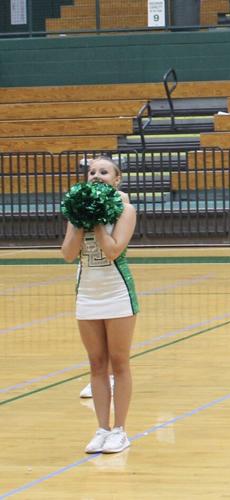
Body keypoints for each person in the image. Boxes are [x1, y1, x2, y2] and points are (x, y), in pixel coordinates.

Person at [61, 157, 138, 454]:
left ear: (116, 180)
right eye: (91, 172)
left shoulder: (126, 210)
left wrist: (96, 221)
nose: (96, 175)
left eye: (103, 171)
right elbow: (68, 253)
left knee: (119, 362)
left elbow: (112, 251)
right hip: (87, 294)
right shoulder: (76, 212)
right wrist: (80, 220)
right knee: (96, 364)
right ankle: (102, 429)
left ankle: (120, 430)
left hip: (117, 292)